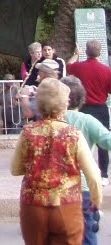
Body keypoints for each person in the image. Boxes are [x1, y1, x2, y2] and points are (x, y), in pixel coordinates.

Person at [11, 78, 102, 245]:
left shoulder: (27, 133)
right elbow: (93, 175)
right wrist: (95, 200)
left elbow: (15, 169)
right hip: (66, 206)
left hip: (33, 207)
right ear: (63, 104)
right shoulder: (73, 134)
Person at [63, 75, 111, 245]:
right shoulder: (87, 121)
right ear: (82, 99)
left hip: (54, 188)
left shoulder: (49, 122)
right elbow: (108, 141)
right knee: (87, 232)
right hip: (82, 187)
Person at [67, 40, 111, 185]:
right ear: (100, 52)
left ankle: (82, 172)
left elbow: (68, 66)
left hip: (83, 108)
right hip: (101, 108)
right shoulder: (107, 71)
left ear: (86, 52)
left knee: (81, 141)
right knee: (102, 141)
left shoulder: (79, 68)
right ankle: (104, 175)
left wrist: (75, 54)